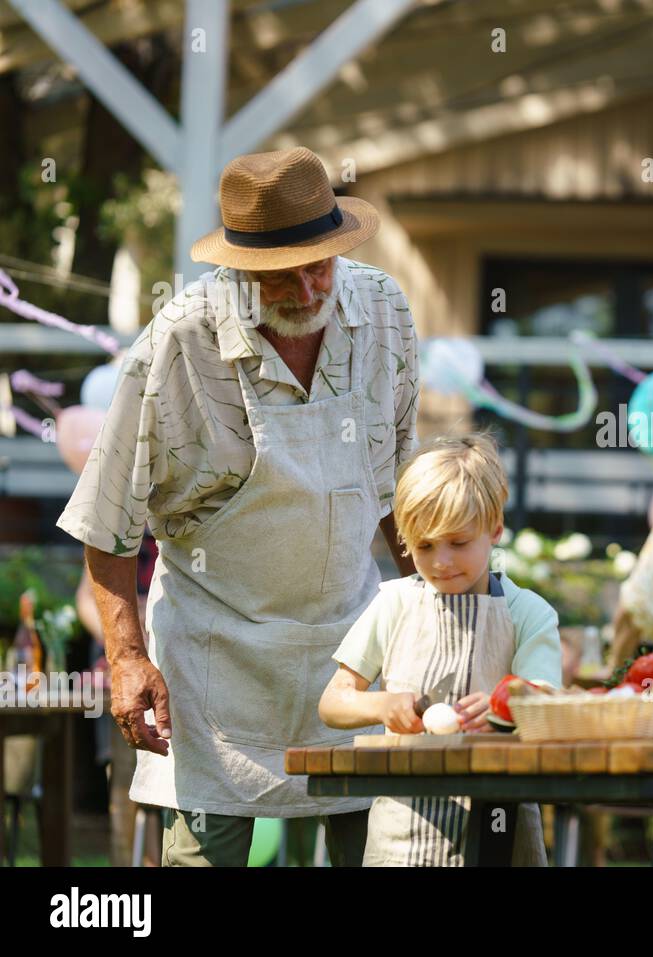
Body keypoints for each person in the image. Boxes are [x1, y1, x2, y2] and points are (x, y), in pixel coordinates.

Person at [56, 146, 421, 866]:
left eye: (323, 262)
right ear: (238, 267)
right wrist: (126, 658)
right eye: (284, 274)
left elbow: (402, 488)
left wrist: (436, 612)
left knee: (386, 854)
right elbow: (107, 518)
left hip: (354, 651)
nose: (311, 285)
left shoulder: (383, 310)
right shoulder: (178, 340)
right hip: (214, 661)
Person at [320, 433, 561, 866]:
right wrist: (381, 706)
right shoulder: (393, 603)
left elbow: (548, 704)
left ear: (495, 529)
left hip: (500, 829)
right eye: (425, 546)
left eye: (458, 542)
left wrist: (505, 709)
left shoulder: (528, 613)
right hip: (404, 831)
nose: (441, 562)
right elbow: (333, 702)